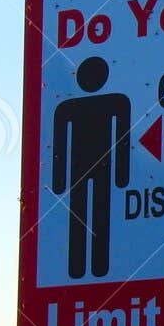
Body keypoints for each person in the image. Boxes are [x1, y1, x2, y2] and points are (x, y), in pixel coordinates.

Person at [51, 55, 131, 279]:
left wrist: (121, 175)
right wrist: (58, 182)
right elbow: (58, 145)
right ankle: (78, 269)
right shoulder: (68, 107)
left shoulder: (116, 102)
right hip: (81, 171)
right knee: (81, 214)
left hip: (99, 169)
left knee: (99, 214)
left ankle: (97, 267)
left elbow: (123, 139)